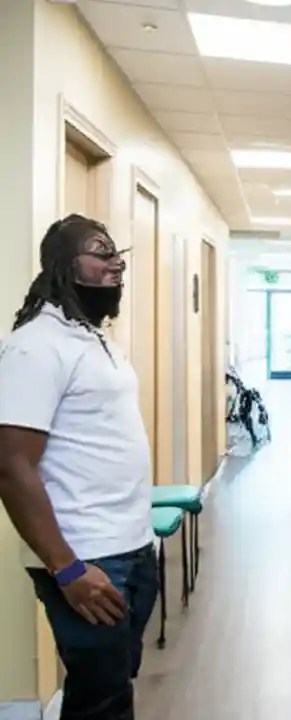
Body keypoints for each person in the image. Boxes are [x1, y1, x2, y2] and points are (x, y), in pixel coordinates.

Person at [0, 215, 158, 718]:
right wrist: (67, 568)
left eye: (117, 252)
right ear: (64, 268)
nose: (116, 262)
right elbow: (10, 466)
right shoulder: (34, 346)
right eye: (100, 251)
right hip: (88, 558)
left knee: (107, 690)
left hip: (130, 546)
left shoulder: (93, 337)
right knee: (103, 702)